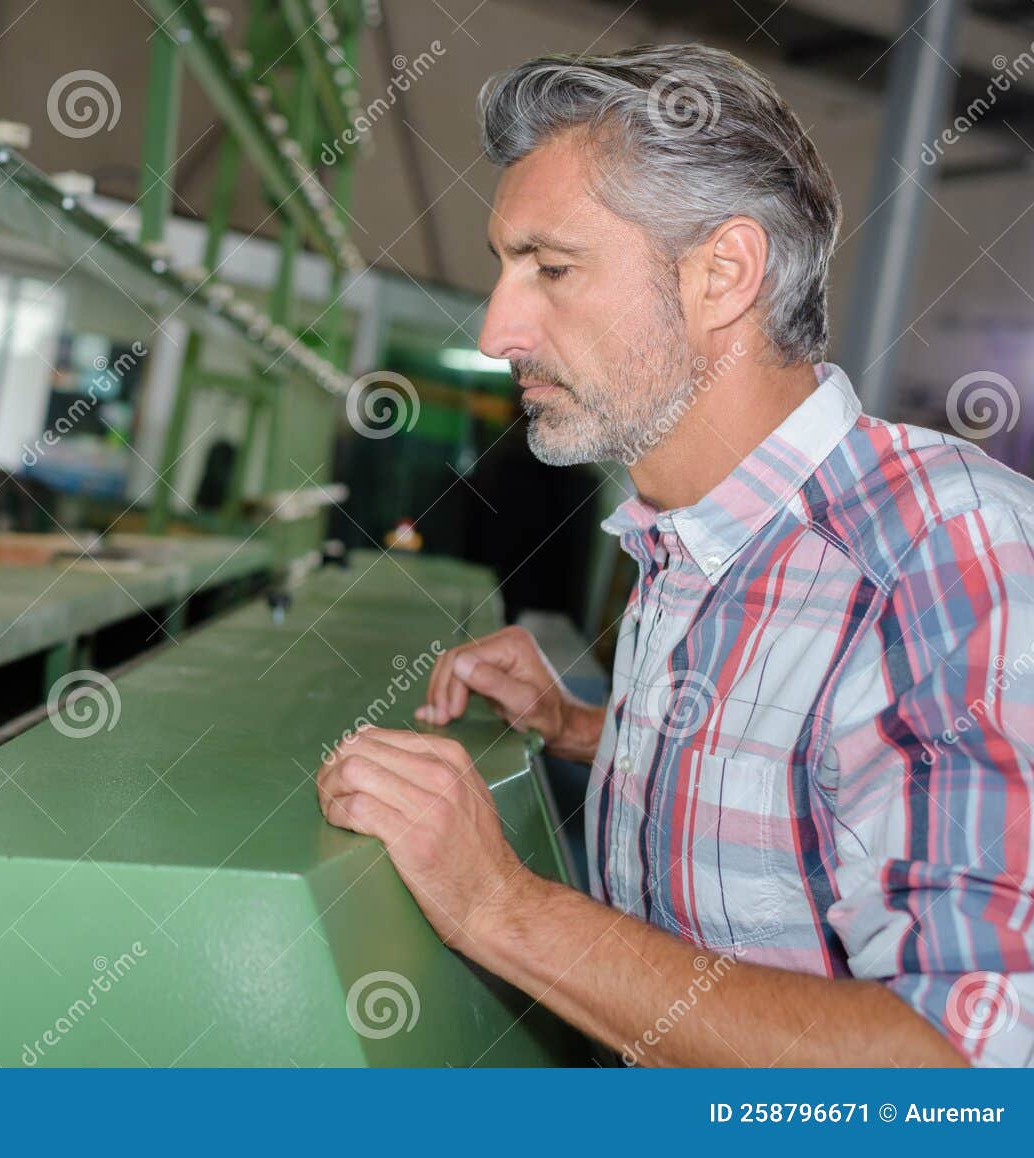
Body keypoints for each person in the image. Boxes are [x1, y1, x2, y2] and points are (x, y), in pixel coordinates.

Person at [317, 44, 1034, 1066]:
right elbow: (818, 776)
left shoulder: (946, 555)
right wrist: (584, 728)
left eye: (551, 269)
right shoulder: (685, 532)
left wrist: (498, 906)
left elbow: (965, 1070)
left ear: (723, 275)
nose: (499, 329)